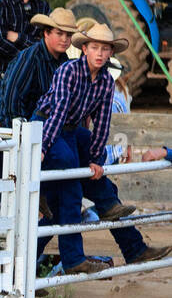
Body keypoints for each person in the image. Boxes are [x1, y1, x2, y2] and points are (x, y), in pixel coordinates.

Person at [35, 23, 170, 274]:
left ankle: (131, 245)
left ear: (110, 54)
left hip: (72, 130)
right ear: (84, 49)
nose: (99, 53)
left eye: (105, 49)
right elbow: (59, 113)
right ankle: (76, 258)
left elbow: (102, 123)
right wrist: (43, 146)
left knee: (95, 190)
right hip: (48, 124)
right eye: (94, 47)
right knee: (71, 188)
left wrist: (96, 159)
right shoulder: (68, 71)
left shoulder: (107, 81)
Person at [0, 7, 76, 128]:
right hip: (18, 126)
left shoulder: (63, 60)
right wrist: (22, 131)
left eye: (69, 35)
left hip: (46, 125)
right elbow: (12, 97)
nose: (64, 39)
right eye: (59, 33)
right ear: (46, 33)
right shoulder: (30, 57)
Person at [0, 0, 49, 112]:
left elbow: (46, 46)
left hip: (32, 81)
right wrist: (29, 55)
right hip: (0, 79)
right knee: (4, 129)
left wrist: (17, 37)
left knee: (31, 129)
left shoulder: (43, 7)